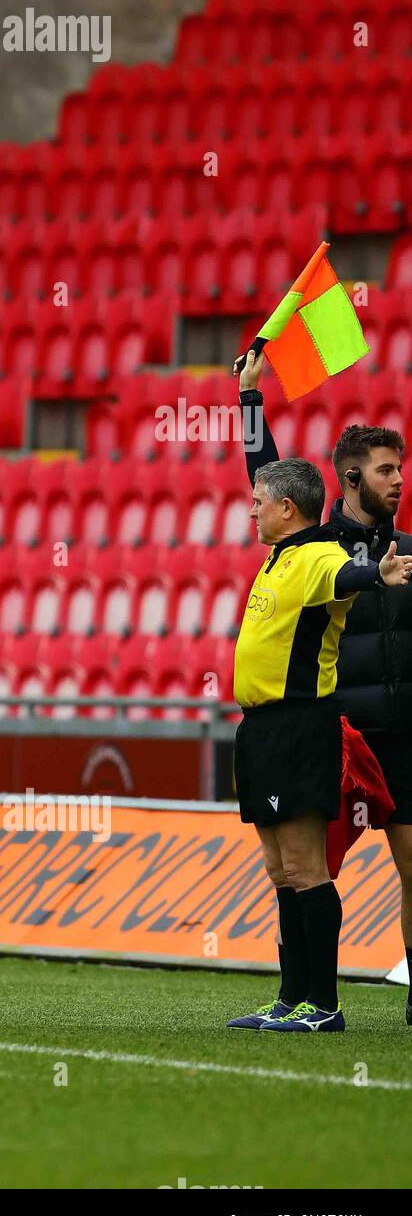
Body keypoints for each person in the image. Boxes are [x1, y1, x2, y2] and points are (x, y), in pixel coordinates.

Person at [238, 348, 412, 1025]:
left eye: (400, 470)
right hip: (340, 726)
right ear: (348, 478)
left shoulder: (351, 554)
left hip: (368, 727)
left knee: (343, 866)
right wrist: (250, 399)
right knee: (299, 866)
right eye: (386, 470)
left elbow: (346, 576)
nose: (398, 481)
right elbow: (268, 477)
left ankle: (320, 1000)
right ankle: (300, 995)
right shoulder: (314, 539)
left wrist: (378, 575)